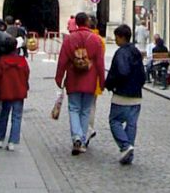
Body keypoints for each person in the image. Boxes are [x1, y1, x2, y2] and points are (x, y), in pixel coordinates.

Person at [55, 11, 105, 155]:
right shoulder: (95, 39)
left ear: (76, 23)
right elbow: (100, 63)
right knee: (85, 110)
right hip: (90, 80)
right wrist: (102, 81)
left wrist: (59, 77)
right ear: (87, 22)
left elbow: (62, 61)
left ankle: (76, 136)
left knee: (73, 108)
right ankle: (82, 139)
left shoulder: (69, 39)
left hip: (73, 78)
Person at [105, 24, 145, 165]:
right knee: (131, 124)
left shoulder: (121, 52)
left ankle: (125, 146)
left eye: (116, 37)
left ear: (122, 37)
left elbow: (121, 71)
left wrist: (110, 84)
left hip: (122, 94)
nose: (115, 40)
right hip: (136, 95)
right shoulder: (136, 52)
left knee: (114, 121)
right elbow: (143, 75)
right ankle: (128, 153)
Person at [0, 34, 29, 150]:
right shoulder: (22, 61)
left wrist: (0, 86)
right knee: (17, 116)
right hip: (19, 90)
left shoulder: (2, 61)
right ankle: (12, 142)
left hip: (6, 90)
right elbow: (26, 74)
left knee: (4, 114)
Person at [86, 14, 106, 146]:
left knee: (80, 107)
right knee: (92, 105)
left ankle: (86, 130)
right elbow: (101, 62)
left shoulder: (83, 38)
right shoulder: (101, 40)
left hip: (83, 77)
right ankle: (89, 127)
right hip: (96, 78)